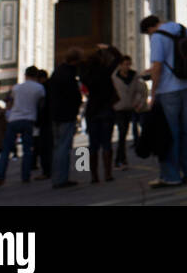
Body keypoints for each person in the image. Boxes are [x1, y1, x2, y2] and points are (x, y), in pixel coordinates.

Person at [141, 13, 187, 188]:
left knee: (168, 133)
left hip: (168, 91)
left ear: (150, 28)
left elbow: (158, 66)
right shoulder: (182, 29)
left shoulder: (158, 37)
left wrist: (153, 93)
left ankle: (171, 176)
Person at [81, 44, 120, 183]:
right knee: (106, 143)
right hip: (106, 110)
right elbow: (118, 58)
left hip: (92, 110)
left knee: (93, 144)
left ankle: (94, 176)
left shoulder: (85, 76)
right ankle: (108, 174)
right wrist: (108, 47)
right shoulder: (105, 71)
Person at [48, 50, 84, 187]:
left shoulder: (56, 72)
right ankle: (61, 179)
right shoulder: (69, 74)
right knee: (63, 147)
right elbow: (74, 95)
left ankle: (57, 177)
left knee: (58, 147)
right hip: (66, 115)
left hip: (55, 114)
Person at [111, 54, 147, 170]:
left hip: (129, 108)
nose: (127, 67)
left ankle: (121, 158)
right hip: (118, 108)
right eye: (125, 64)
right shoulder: (114, 77)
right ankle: (120, 159)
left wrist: (139, 104)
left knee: (124, 133)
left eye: (128, 64)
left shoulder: (134, 76)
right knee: (122, 133)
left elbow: (142, 90)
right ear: (120, 65)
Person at [32, 68, 52, 181]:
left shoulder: (43, 89)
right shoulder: (50, 87)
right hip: (52, 119)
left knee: (44, 147)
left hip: (44, 121)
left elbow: (42, 107)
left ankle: (47, 171)